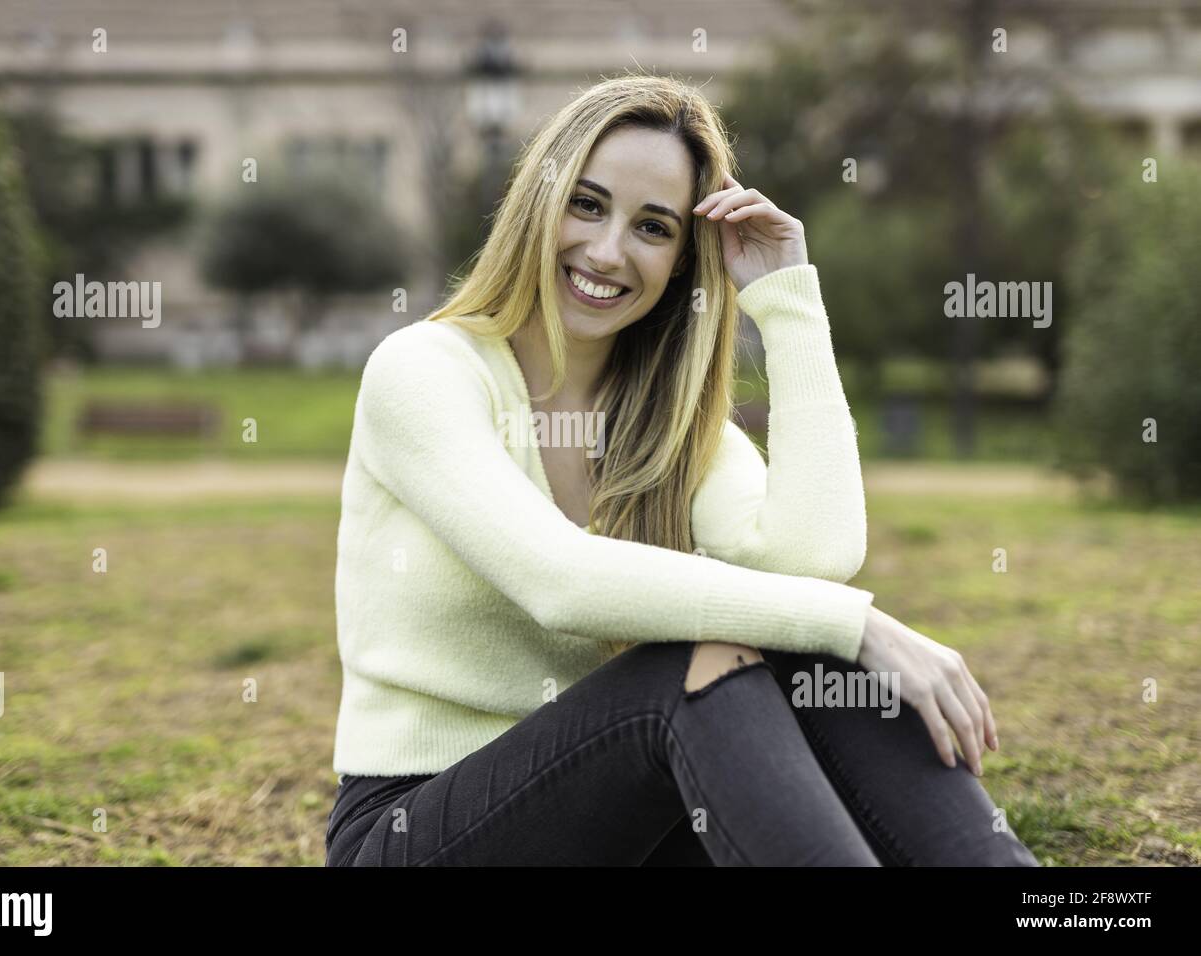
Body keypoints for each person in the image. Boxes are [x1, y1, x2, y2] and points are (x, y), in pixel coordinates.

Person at [324, 72, 1040, 867]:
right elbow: (557, 579)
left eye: (652, 227)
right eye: (587, 204)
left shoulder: (669, 421)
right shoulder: (424, 369)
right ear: (538, 201)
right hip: (420, 828)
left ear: (680, 261)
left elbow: (813, 558)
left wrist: (789, 302)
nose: (606, 251)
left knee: (814, 660)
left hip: (620, 823)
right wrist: (864, 625)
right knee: (700, 665)